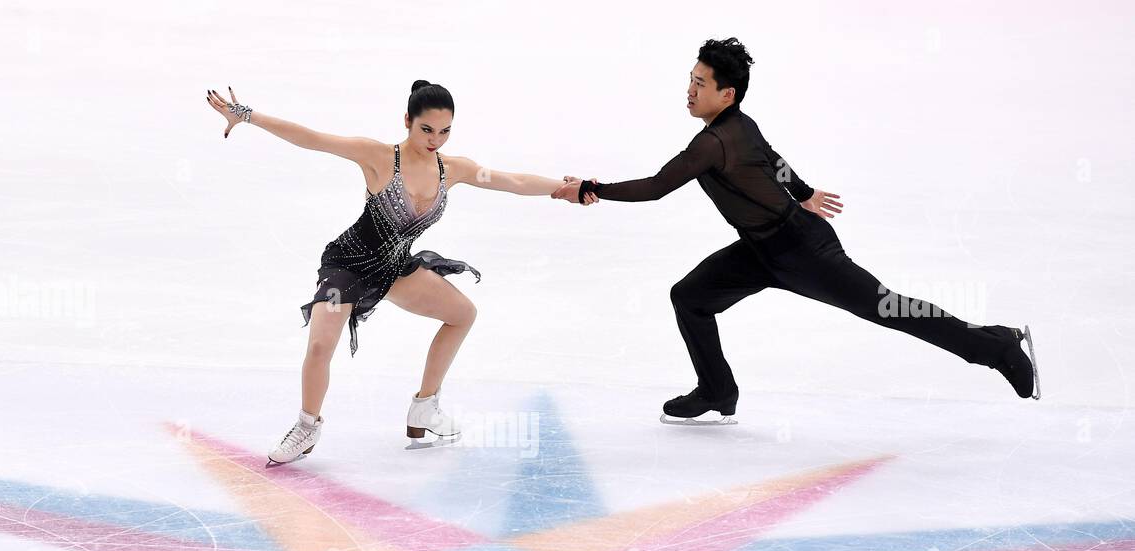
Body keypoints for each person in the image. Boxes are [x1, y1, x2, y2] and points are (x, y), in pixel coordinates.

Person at [552, 38, 1039, 424]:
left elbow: (658, 187)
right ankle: (718, 391)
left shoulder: (714, 142)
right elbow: (775, 159)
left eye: (701, 83)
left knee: (886, 308)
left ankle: (997, 347)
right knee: (691, 297)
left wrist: (592, 188)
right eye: (690, 79)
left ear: (728, 94)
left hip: (804, 251)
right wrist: (803, 190)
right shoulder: (739, 125)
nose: (690, 89)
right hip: (761, 250)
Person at [206, 81, 573, 463]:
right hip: (347, 265)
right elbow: (312, 138)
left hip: (394, 267)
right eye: (426, 129)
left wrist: (566, 189)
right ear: (407, 122)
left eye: (445, 131)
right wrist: (247, 116)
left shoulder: (454, 170)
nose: (435, 140)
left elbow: (512, 181)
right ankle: (306, 426)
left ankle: (425, 406)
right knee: (319, 346)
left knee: (462, 314)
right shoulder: (378, 157)